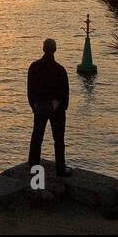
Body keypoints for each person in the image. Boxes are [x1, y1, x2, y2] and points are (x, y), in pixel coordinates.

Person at [27, 37, 71, 177]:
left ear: (43, 49)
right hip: (55, 107)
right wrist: (59, 105)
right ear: (55, 50)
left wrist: (34, 105)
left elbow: (30, 89)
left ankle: (33, 167)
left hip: (39, 106)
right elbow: (64, 92)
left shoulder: (34, 67)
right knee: (59, 139)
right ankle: (60, 169)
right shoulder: (60, 69)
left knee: (37, 137)